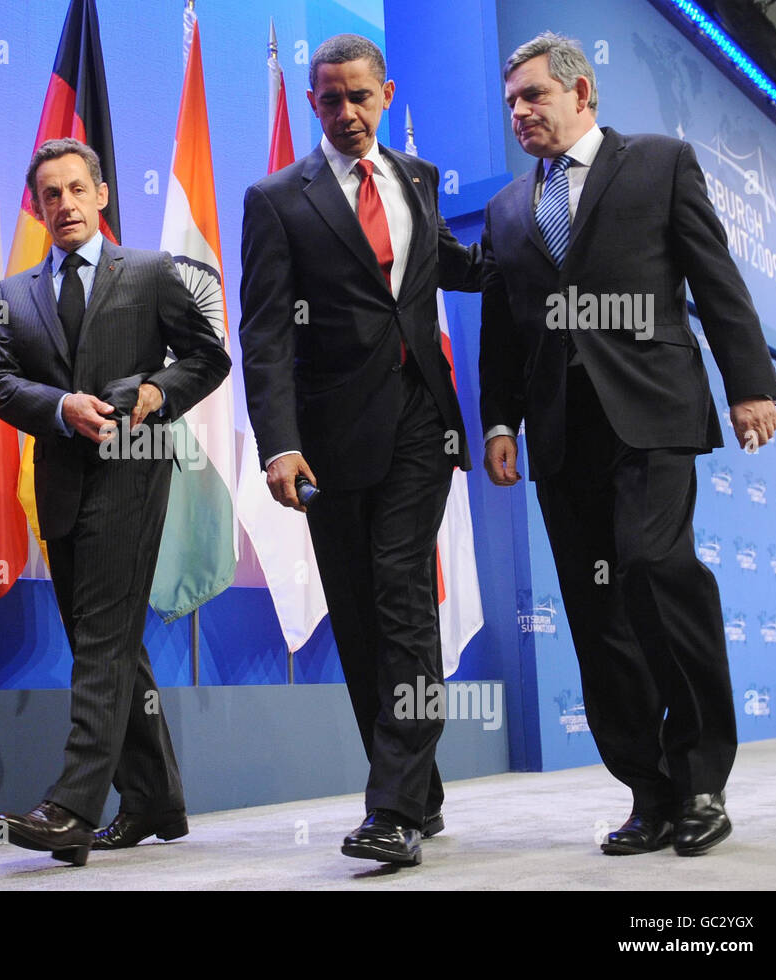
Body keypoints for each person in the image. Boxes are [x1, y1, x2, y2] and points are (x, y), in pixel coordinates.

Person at [480, 32, 776, 856]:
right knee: (595, 607)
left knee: (651, 567)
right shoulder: (509, 210)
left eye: (534, 96)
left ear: (583, 95)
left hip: (653, 413)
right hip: (562, 434)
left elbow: (715, 277)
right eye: (511, 101)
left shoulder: (660, 162)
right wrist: (500, 421)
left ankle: (702, 781)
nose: (520, 112)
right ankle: (647, 792)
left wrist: (751, 382)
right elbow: (504, 331)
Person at [238, 34, 481, 866]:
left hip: (420, 420)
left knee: (402, 595)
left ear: (385, 93)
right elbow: (265, 332)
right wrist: (278, 445)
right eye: (329, 100)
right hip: (330, 443)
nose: (345, 113)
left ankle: (392, 810)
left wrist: (550, 240)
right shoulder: (276, 199)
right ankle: (420, 787)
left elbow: (447, 265)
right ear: (312, 103)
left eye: (359, 98)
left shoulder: (419, 179)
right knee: (358, 613)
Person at [0, 138, 230, 866]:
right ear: (39, 207)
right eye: (50, 194)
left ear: (102, 194)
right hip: (61, 489)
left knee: (101, 645)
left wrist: (155, 392)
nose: (64, 204)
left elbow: (209, 357)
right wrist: (60, 407)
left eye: (75, 189)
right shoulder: (13, 295)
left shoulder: (150, 273)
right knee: (111, 645)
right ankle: (154, 799)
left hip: (132, 474)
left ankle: (70, 809)